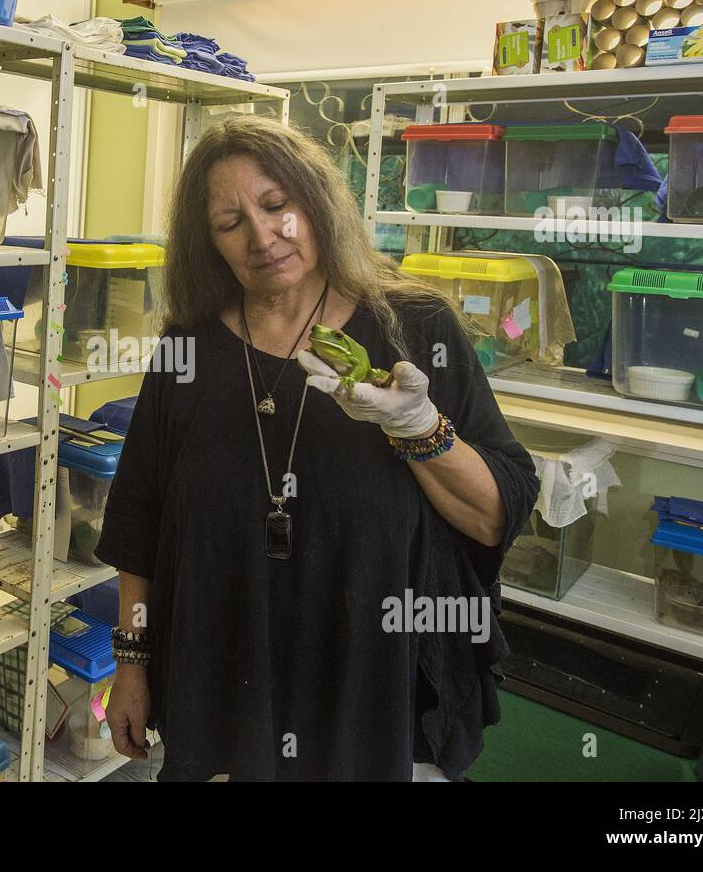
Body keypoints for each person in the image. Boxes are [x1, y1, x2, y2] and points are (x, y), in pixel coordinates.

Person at [93, 115, 539, 781]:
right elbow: (139, 522)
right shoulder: (187, 349)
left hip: (373, 687)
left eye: (277, 206)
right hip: (222, 684)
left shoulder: (414, 327)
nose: (262, 235)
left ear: (317, 202)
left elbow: (495, 514)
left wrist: (420, 428)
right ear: (208, 244)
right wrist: (131, 663)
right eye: (229, 222)